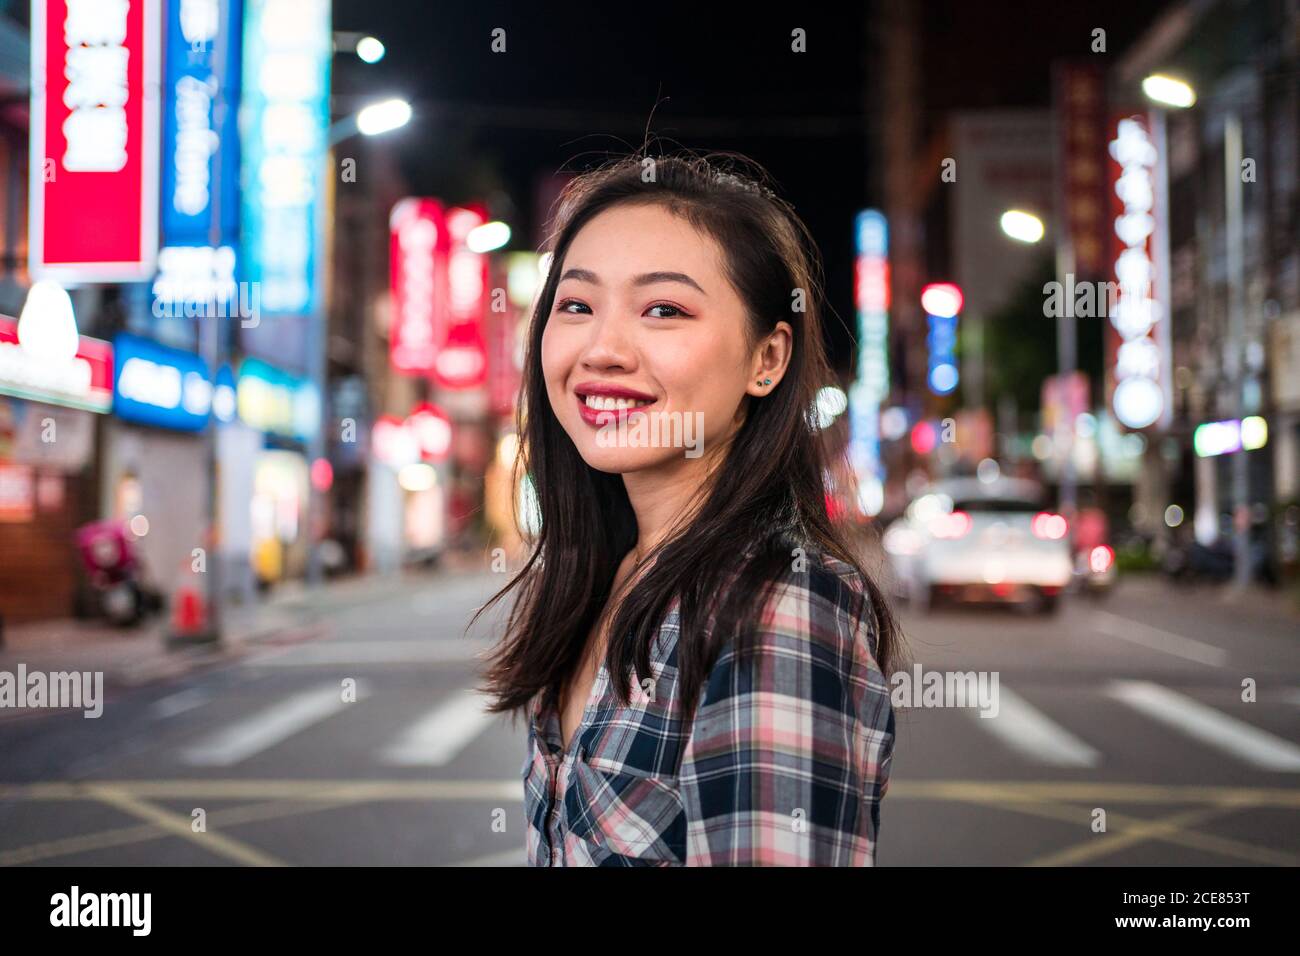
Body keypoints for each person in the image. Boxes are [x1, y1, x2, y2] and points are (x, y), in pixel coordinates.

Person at [477, 151, 903, 866]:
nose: (602, 349)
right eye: (576, 304)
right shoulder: (609, 574)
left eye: (663, 310)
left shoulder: (777, 605)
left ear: (767, 359)